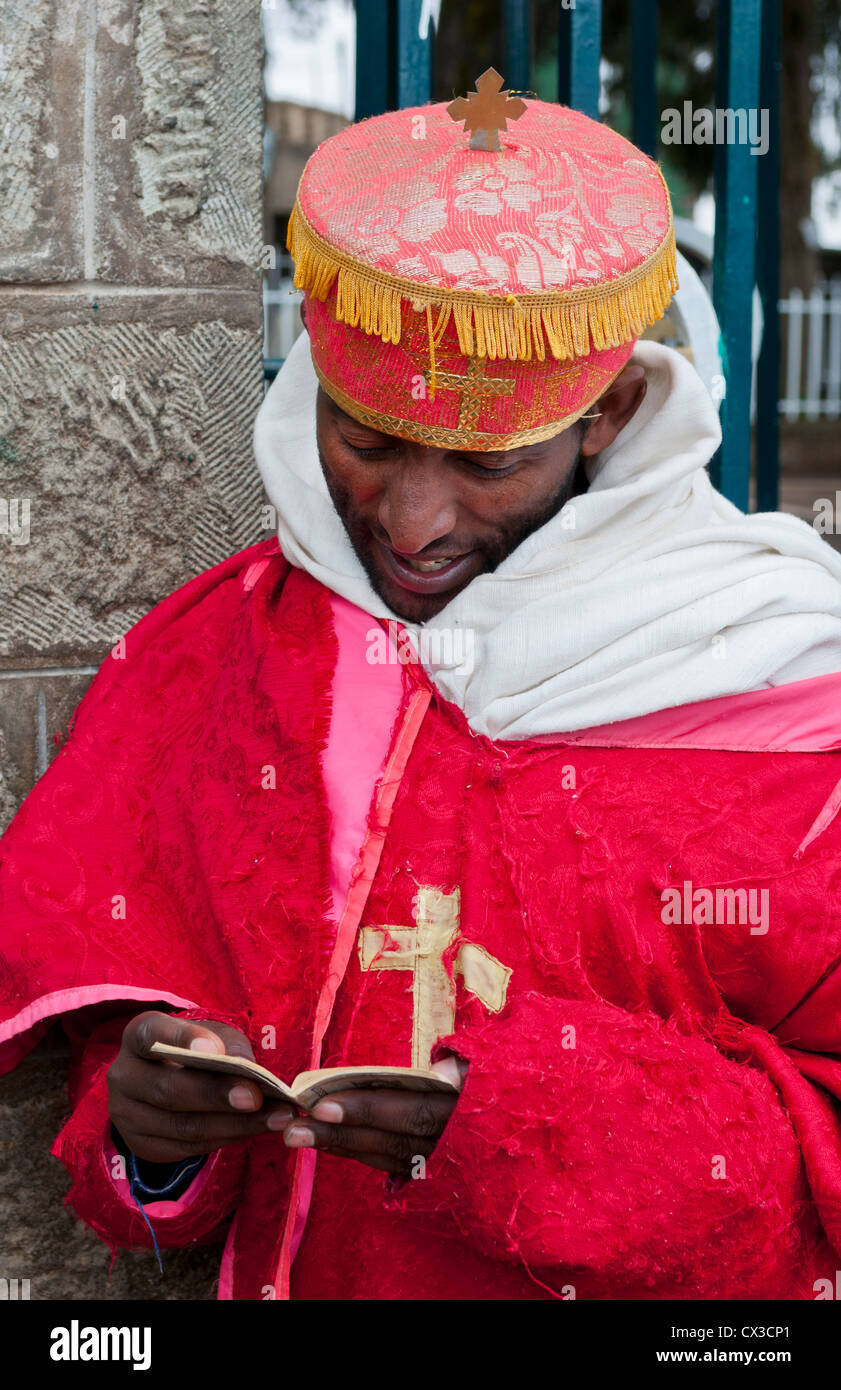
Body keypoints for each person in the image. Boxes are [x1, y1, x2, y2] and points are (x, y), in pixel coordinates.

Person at [2, 79, 841, 1302]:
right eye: (367, 439)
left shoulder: (779, 683)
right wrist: (150, 1130)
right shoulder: (228, 648)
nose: (412, 524)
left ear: (603, 412)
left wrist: (526, 1121)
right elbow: (123, 1056)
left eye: (487, 461)